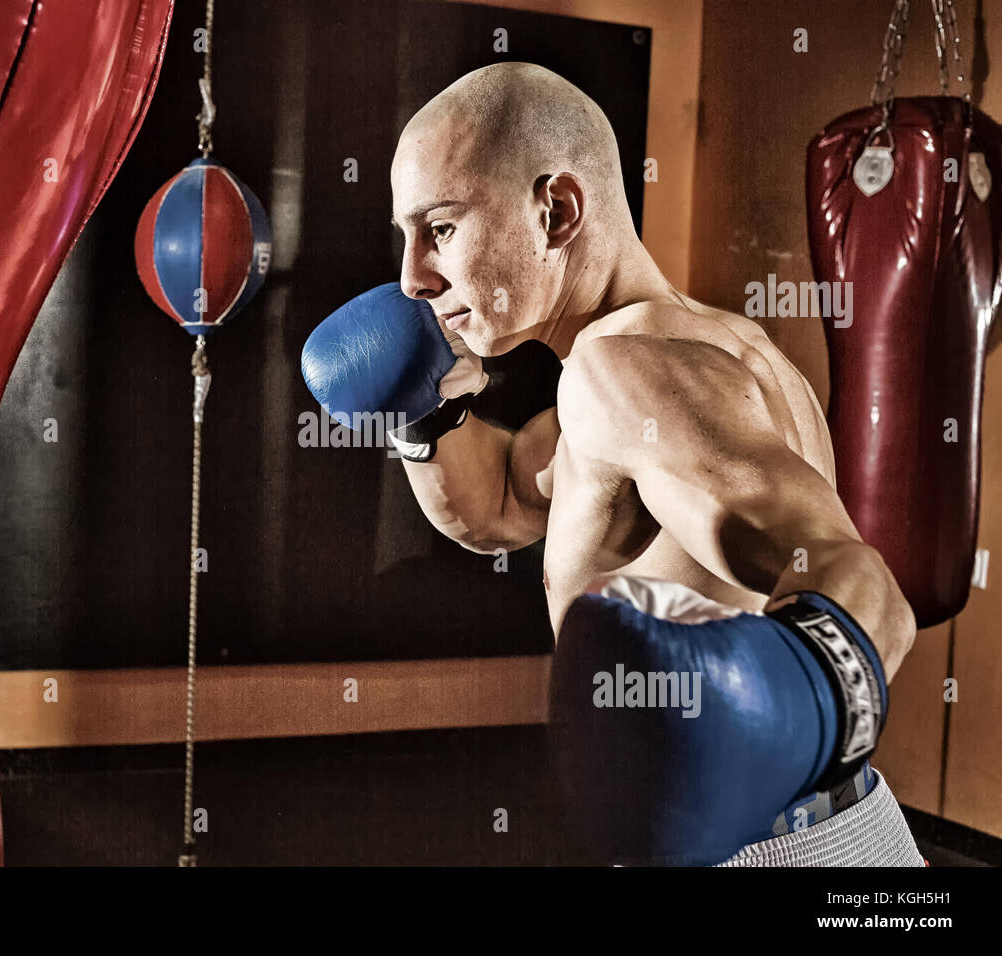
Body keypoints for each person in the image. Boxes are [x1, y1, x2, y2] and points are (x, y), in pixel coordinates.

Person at [302, 62, 925, 865]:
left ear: (556, 210)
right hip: (845, 831)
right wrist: (430, 413)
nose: (411, 279)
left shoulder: (619, 376)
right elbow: (498, 508)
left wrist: (755, 729)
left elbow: (862, 584)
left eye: (442, 229)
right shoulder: (704, 354)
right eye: (407, 237)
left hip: (756, 849)